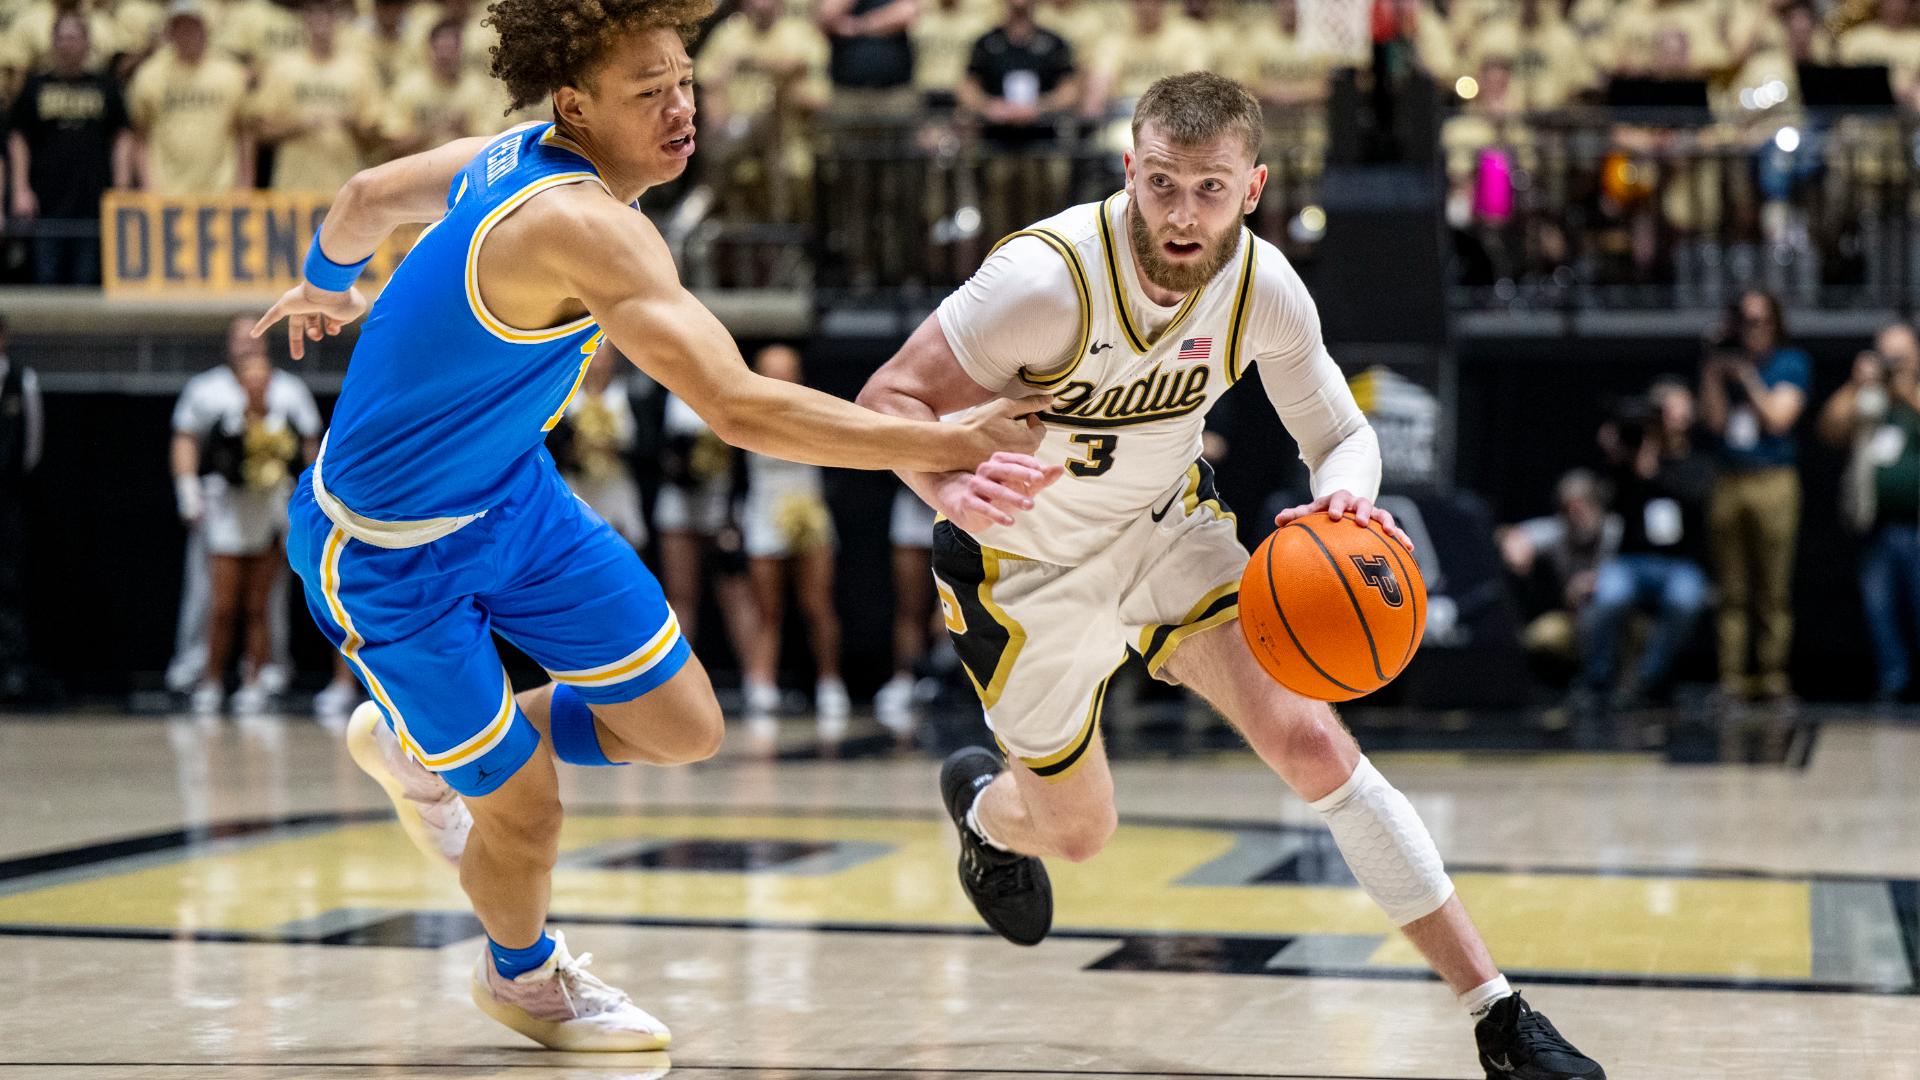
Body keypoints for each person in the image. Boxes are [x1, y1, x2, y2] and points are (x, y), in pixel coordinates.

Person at [251, 0, 1045, 1049]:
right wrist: (944, 441)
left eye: (684, 82)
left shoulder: (504, 155)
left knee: (682, 726)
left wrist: (324, 281)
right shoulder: (583, 225)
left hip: (512, 495)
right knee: (526, 812)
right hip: (386, 550)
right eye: (649, 93)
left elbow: (363, 199)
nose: (682, 110)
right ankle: (524, 978)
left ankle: (426, 750)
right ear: (575, 105)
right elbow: (738, 407)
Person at [856, 72, 1604, 1079]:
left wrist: (1343, 499)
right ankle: (988, 815)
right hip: (1022, 569)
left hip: (1166, 531)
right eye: (1162, 183)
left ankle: (1499, 1016)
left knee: (1312, 742)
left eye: (1209, 188)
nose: (1181, 213)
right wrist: (946, 484)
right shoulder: (1044, 280)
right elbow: (888, 398)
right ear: (1129, 168)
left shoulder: (1262, 287)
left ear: (1252, 188)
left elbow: (1341, 434)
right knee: (1078, 835)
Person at [171, 316, 322, 716]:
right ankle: (199, 671)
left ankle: (266, 672)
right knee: (212, 598)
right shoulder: (207, 390)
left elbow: (309, 444)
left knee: (266, 601)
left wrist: (306, 501)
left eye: (254, 337)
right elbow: (187, 439)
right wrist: (188, 491)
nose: (247, 347)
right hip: (223, 510)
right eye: (239, 339)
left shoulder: (290, 392)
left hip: (270, 508)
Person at [735, 345, 850, 745]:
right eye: (771, 372)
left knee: (817, 603)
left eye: (787, 372)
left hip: (808, 510)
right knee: (767, 608)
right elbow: (733, 470)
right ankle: (761, 684)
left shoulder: (817, 410)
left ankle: (830, 683)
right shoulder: (741, 412)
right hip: (764, 512)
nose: (780, 379)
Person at [1699, 289, 1809, 703]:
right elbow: (1714, 422)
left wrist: (1746, 376)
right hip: (1730, 478)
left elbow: (1778, 419)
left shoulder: (1790, 363)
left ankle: (1772, 674)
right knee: (1731, 589)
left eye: (1760, 321)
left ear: (1774, 323)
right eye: (1745, 321)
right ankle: (1730, 676)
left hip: (1772, 479)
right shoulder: (1722, 363)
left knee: (1772, 588)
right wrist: (1714, 371)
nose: (1752, 329)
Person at [1578, 379, 1714, 709]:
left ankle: (1648, 680)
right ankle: (1598, 681)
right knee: (1608, 597)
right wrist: (1619, 454)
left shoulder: (1696, 463)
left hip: (1679, 563)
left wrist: (1652, 467)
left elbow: (1693, 499)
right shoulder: (1629, 461)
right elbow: (1610, 503)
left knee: (1685, 600)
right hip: (1631, 560)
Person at [1819, 322, 1920, 702]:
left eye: (1900, 355)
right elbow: (1830, 427)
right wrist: (1858, 383)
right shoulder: (1870, 400)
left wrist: (1905, 386)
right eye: (1886, 355)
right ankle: (1893, 683)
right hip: (1877, 526)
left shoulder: (1913, 394)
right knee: (1880, 608)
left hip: (1917, 524)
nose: (1892, 363)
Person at [6, 10, 134, 285]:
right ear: (52, 42)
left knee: (87, 283)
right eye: (62, 38)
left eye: (74, 37)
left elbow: (123, 137)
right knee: (46, 282)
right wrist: (20, 189)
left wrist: (122, 185)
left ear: (87, 43)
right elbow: (18, 140)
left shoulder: (104, 86)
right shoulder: (34, 87)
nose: (67, 44)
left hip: (93, 202)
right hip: (44, 203)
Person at [250, 0, 382, 194]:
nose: (321, 20)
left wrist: (352, 124)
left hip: (345, 187)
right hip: (292, 187)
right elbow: (261, 130)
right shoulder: (282, 67)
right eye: (314, 13)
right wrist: (300, 125)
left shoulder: (360, 68)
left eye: (328, 13)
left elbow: (376, 135)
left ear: (338, 19)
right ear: (304, 19)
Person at [127, 0, 252, 194]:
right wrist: (147, 184)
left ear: (205, 29)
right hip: (166, 192)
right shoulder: (150, 74)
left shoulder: (230, 74)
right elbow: (140, 134)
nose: (186, 34)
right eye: (179, 27)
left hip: (220, 192)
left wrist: (245, 184)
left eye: (193, 27)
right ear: (170, 33)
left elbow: (244, 132)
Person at [0, 317, 44, 702]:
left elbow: (31, 449)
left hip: (7, 498)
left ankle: (11, 669)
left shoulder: (21, 381)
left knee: (9, 583)